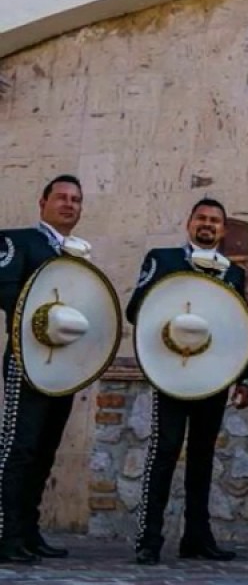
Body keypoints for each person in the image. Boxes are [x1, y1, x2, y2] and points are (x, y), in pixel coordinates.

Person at [128, 199, 248, 565]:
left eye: (215, 221)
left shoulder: (233, 273)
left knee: (203, 457)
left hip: (213, 373)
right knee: (164, 452)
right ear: (189, 223)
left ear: (224, 231)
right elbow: (136, 309)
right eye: (202, 218)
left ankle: (197, 538)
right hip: (170, 371)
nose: (208, 224)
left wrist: (245, 376)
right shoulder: (164, 259)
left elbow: (239, 327)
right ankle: (149, 539)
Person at [0, 175, 89, 563]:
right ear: (43, 202)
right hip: (28, 359)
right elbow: (4, 289)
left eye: (76, 200)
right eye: (62, 197)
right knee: (20, 448)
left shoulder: (79, 253)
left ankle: (29, 532)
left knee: (45, 450)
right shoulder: (18, 240)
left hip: (64, 366)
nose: (69, 204)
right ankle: (5, 534)